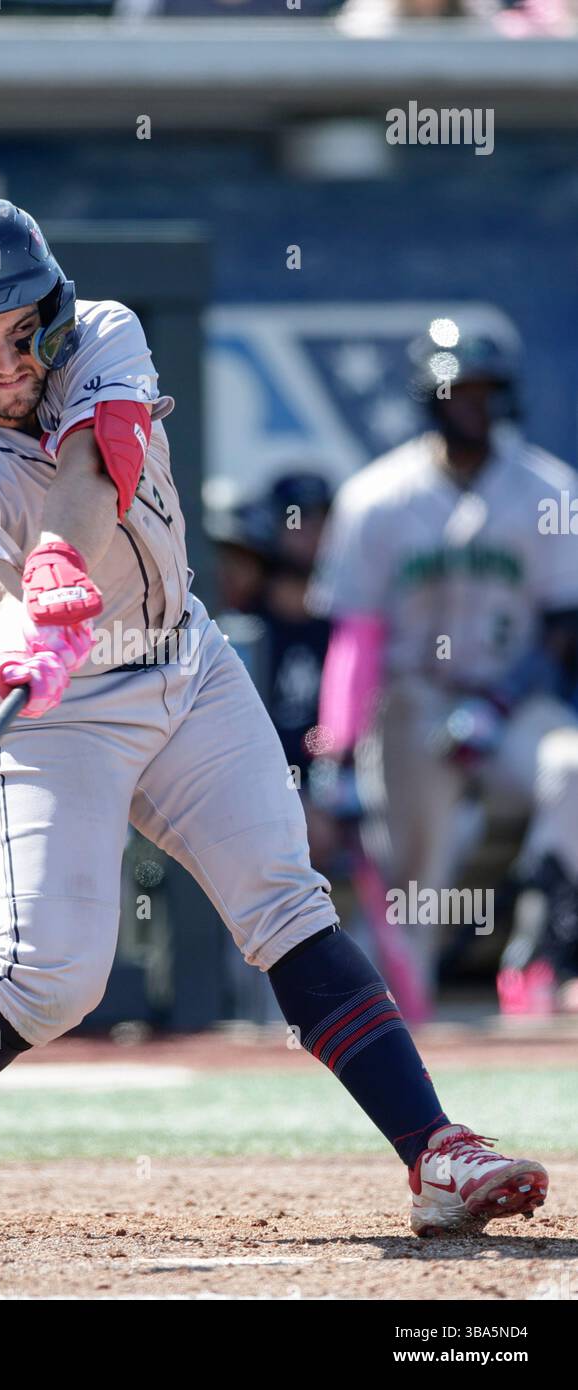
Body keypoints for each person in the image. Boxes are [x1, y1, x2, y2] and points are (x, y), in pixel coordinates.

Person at [0, 201, 548, 1239]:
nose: (4, 363)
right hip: (55, 709)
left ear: (54, 308)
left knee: (282, 902)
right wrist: (13, 638)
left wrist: (57, 565)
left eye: (19, 329)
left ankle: (435, 1152)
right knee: (50, 982)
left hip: (184, 665)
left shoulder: (107, 334)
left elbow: (97, 461)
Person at [307, 326, 578, 1014]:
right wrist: (335, 752)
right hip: (412, 700)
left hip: (516, 698)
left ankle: (542, 945)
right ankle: (402, 1013)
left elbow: (563, 622)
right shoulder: (377, 496)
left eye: (485, 392)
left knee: (570, 768)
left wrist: (503, 697)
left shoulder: (548, 488)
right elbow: (357, 637)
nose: (472, 406)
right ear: (430, 398)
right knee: (416, 880)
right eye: (458, 391)